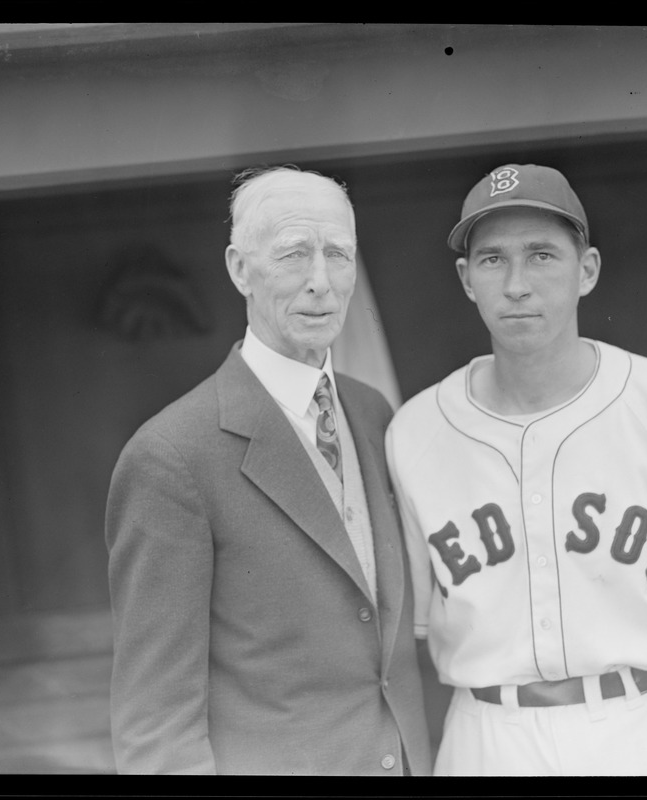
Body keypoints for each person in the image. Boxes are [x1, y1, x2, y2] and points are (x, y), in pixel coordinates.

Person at [385, 163, 647, 776]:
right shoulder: (417, 431)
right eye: (492, 260)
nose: (516, 284)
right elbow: (411, 647)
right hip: (490, 738)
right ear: (465, 279)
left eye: (541, 256)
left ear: (587, 271)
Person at [106, 166, 432, 775]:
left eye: (338, 254)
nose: (321, 282)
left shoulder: (371, 412)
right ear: (238, 268)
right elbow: (156, 731)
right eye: (292, 255)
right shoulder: (171, 456)